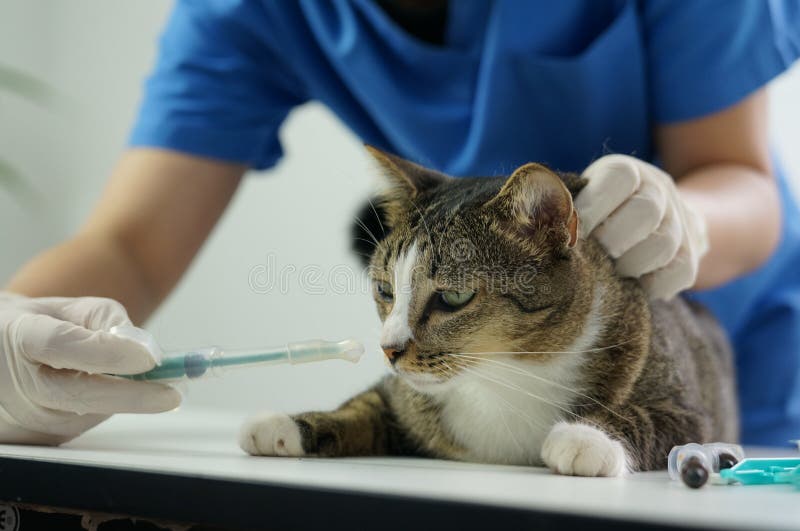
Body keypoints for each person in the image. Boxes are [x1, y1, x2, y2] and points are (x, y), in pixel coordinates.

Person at [1, 0, 799, 446]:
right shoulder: (244, 11)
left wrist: (685, 217)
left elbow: (741, 177)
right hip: (482, 382)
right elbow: (129, 245)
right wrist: (11, 335)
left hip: (733, 369)